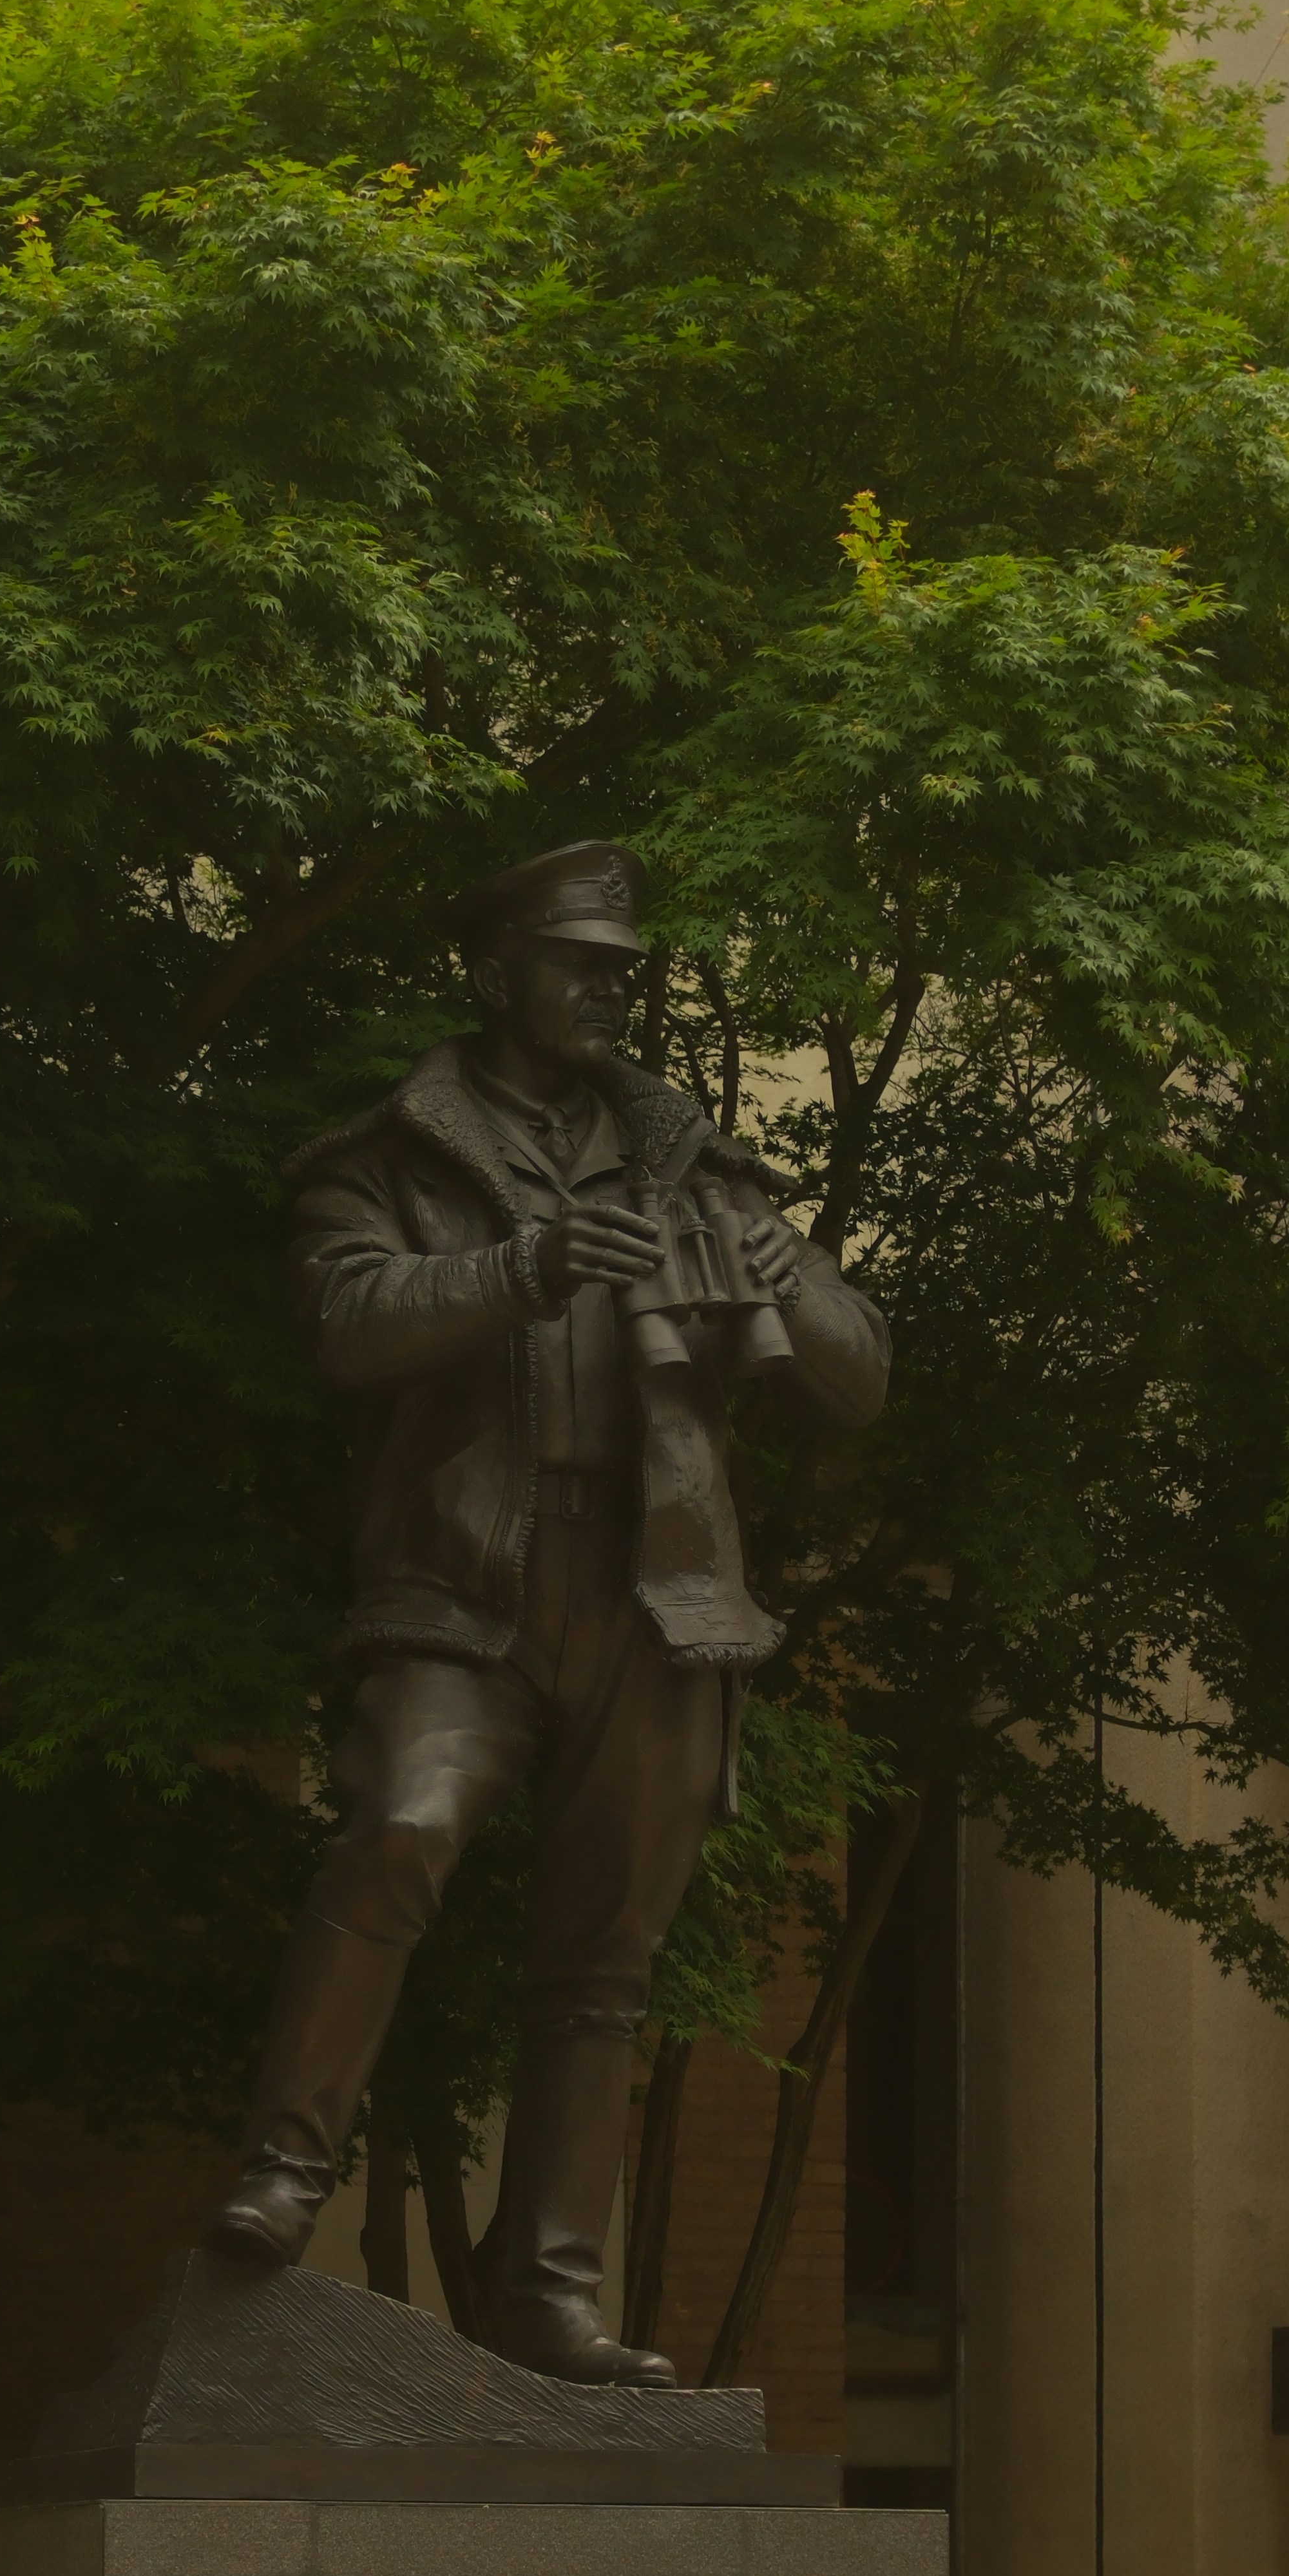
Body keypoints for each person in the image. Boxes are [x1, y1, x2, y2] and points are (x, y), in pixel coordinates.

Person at [209, 839, 890, 2382]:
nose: (603, 989)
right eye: (577, 960)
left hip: (658, 1594)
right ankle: (283, 2172)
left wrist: (789, 1271)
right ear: (493, 970)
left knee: (603, 1959)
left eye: (620, 971)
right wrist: (522, 1267)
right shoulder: (390, 1156)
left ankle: (548, 2297)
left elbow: (858, 1375)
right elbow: (343, 1325)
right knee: (398, 1824)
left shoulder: (690, 1162)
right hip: (468, 1578)